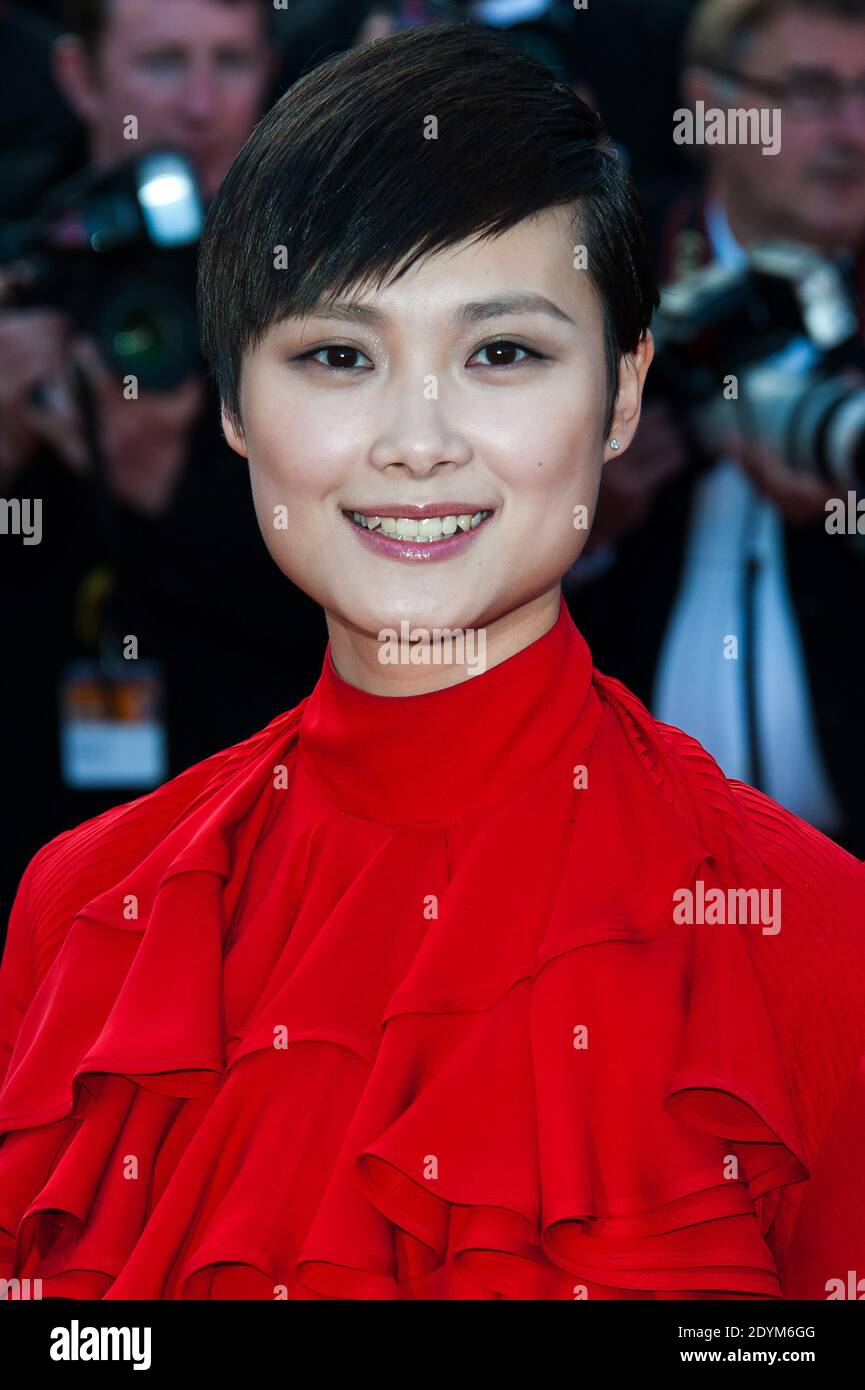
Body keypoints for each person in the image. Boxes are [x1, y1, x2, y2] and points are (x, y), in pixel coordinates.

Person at [1, 19, 864, 1302]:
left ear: (623, 395)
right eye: (337, 356)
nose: (418, 441)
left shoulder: (808, 932)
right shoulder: (83, 910)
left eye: (501, 353)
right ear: (234, 400)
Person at [0, 0, 326, 932]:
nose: (197, 103)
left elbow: (381, 605)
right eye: (160, 64)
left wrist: (178, 489)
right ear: (78, 76)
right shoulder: (20, 245)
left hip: (249, 820)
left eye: (229, 62)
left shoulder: (328, 271)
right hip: (26, 802)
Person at [567, 0, 865, 858]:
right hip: (606, 861)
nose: (849, 130)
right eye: (807, 91)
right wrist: (577, 524)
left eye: (864, 92)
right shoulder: (601, 278)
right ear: (707, 105)